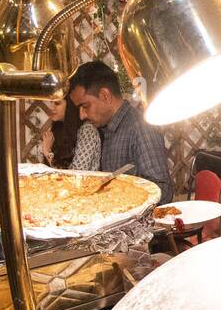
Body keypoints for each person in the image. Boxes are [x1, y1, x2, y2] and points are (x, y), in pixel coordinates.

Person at [67, 60, 174, 204]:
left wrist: (119, 195)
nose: (81, 115)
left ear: (106, 96)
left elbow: (163, 190)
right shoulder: (106, 129)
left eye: (85, 106)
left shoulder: (140, 128)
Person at [40, 98, 100, 170]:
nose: (51, 107)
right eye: (51, 102)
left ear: (71, 106)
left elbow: (76, 174)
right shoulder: (60, 130)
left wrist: (48, 152)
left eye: (57, 103)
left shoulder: (88, 131)